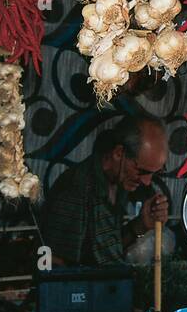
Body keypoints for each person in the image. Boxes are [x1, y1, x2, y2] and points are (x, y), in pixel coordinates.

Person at [40, 111, 171, 267]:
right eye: (142, 171)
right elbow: (57, 266)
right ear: (118, 153)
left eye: (154, 174)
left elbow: (103, 256)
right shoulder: (77, 188)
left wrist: (141, 225)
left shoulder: (119, 183)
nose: (147, 182)